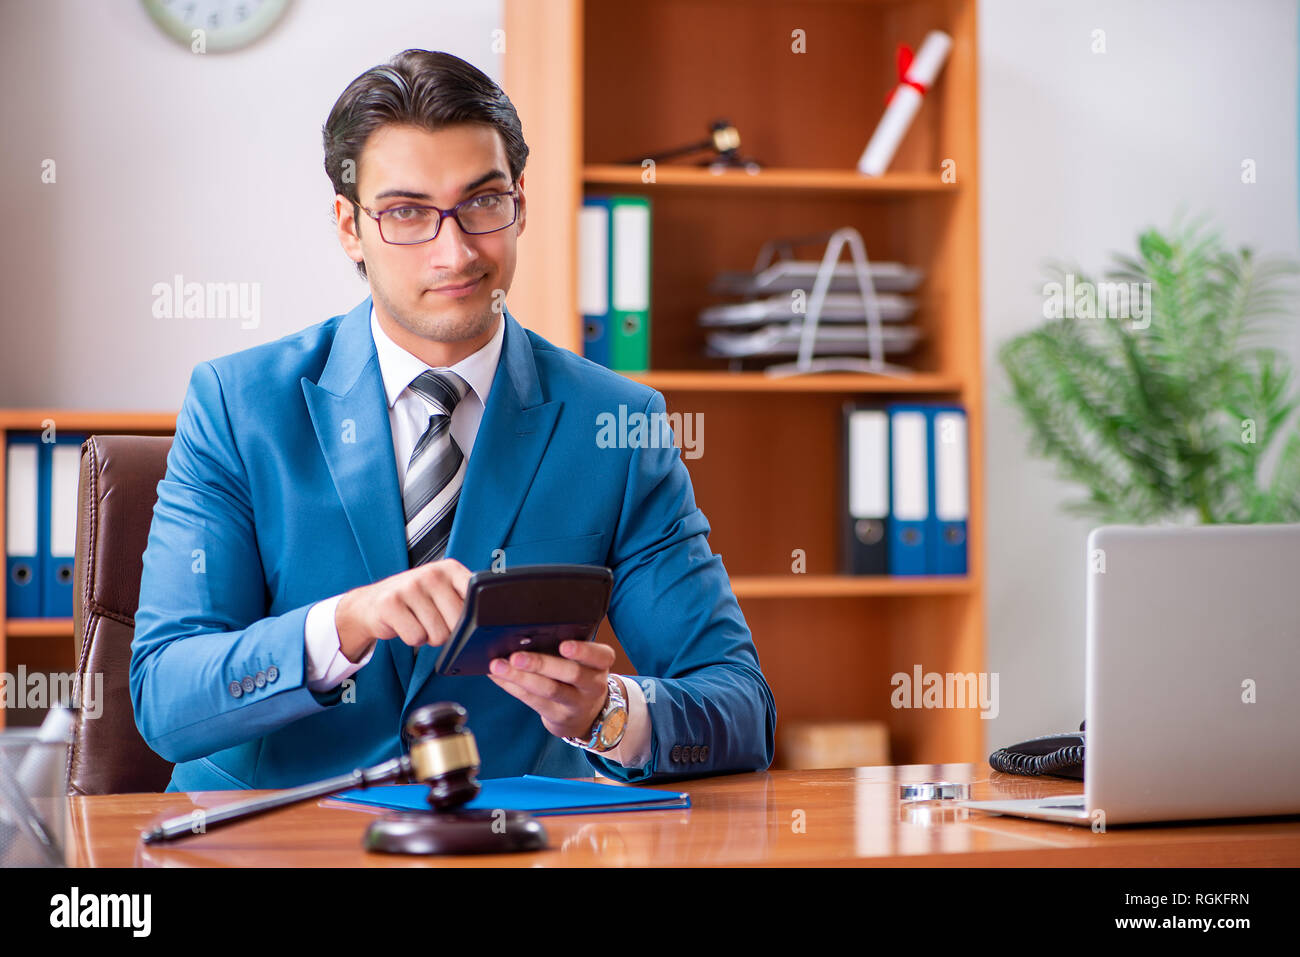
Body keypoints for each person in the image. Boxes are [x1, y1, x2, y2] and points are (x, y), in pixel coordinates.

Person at [130, 49, 776, 791]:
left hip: (509, 842)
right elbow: (166, 698)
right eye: (407, 212)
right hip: (273, 840)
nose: (456, 249)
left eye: (482, 201)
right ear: (350, 226)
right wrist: (339, 626)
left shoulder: (619, 426)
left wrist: (610, 711)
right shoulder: (238, 407)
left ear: (521, 203)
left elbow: (741, 707)